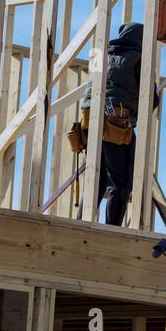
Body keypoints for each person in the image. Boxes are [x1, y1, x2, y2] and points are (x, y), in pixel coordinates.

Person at [70, 22, 144, 226]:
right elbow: (150, 98)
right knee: (120, 182)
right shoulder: (137, 59)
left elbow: (90, 88)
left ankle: (80, 224)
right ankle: (112, 229)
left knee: (97, 177)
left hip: (89, 119)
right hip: (116, 122)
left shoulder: (98, 54)